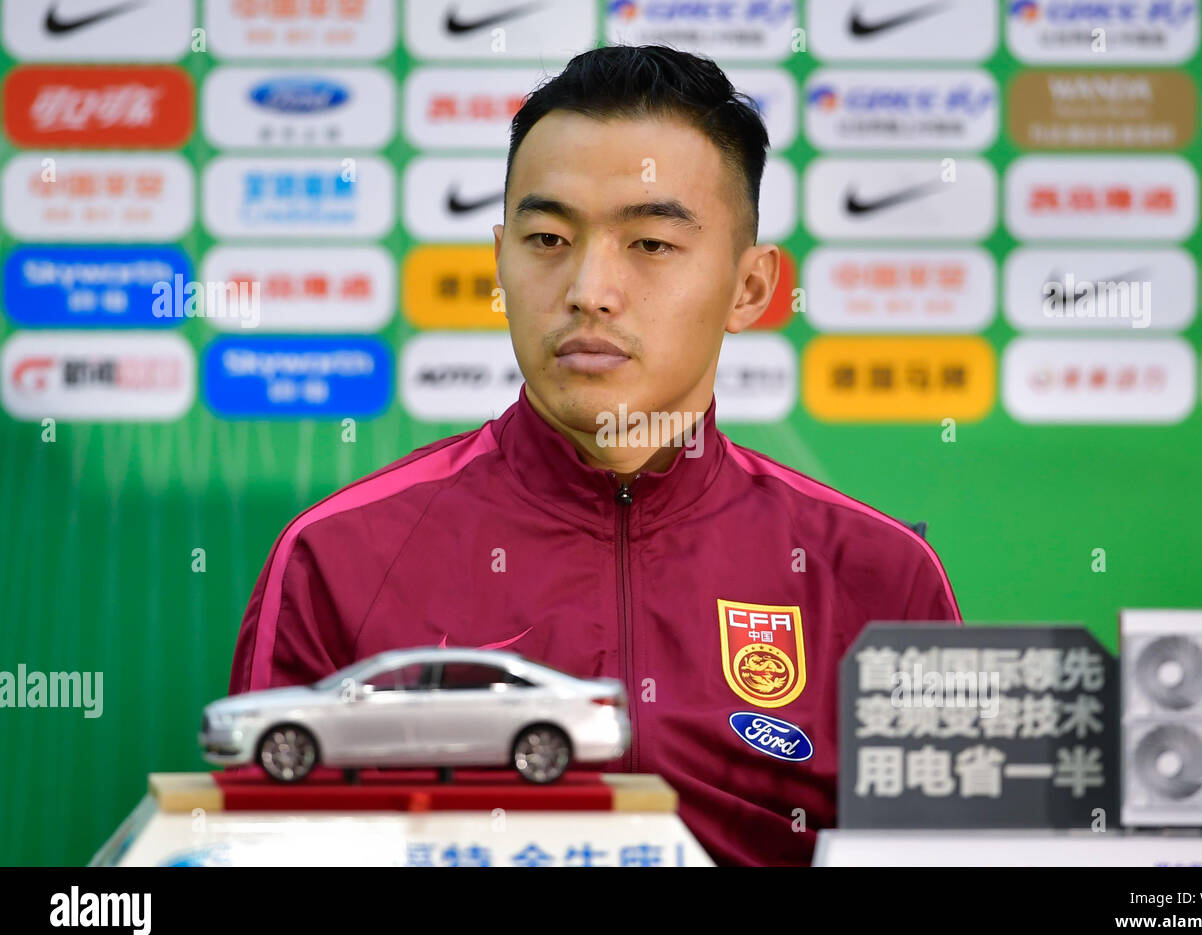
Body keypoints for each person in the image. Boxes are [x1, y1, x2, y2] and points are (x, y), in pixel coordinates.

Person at [228, 44, 961, 866]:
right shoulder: (336, 555)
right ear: (499, 263)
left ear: (750, 288)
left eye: (649, 244)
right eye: (547, 238)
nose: (588, 289)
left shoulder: (878, 575)